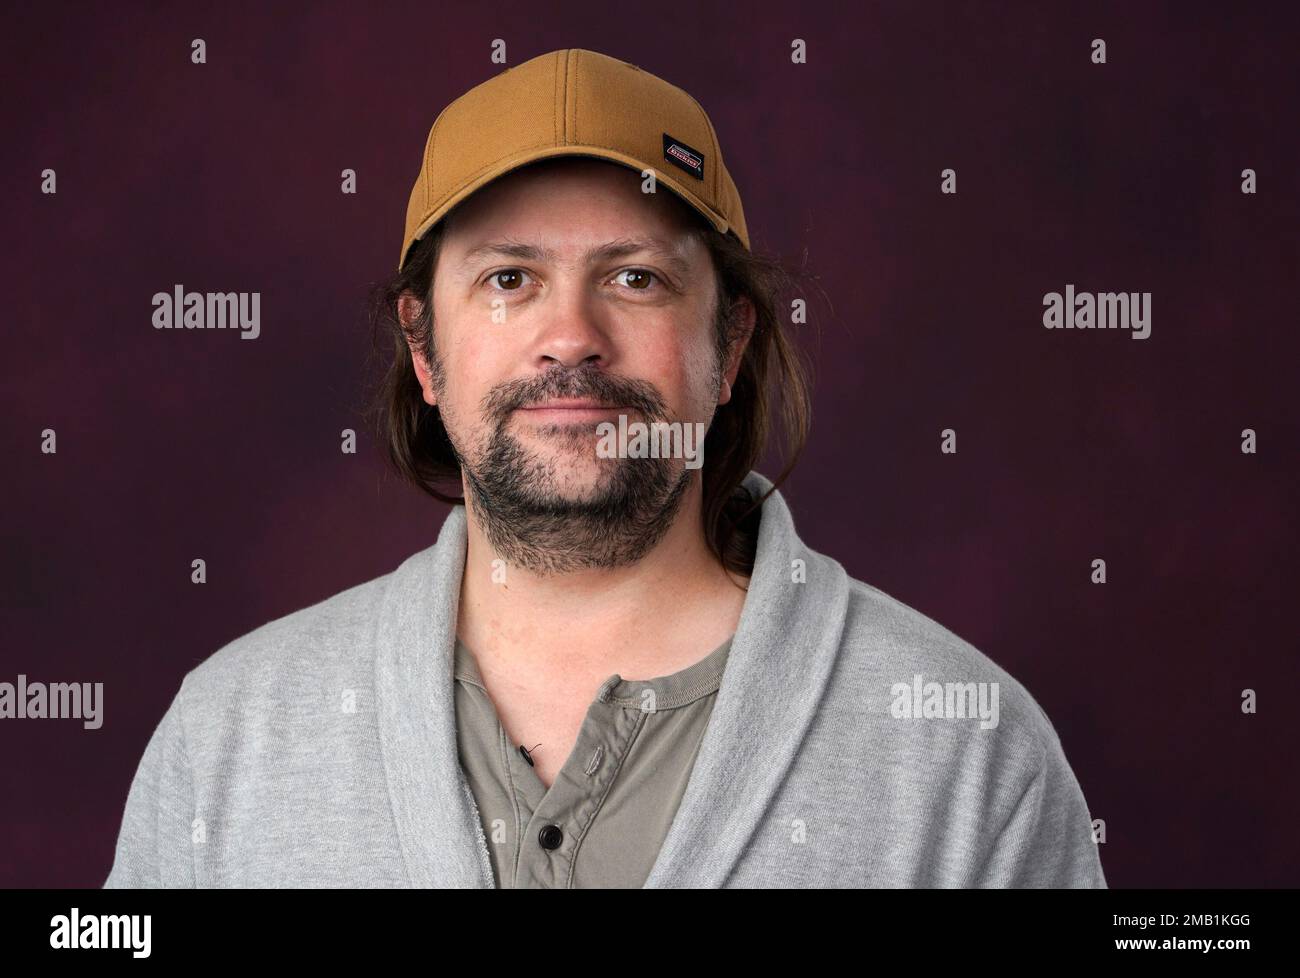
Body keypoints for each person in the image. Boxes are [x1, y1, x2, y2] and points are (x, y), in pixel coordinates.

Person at [103, 48, 1106, 888]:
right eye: (508, 279)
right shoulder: (229, 740)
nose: (569, 338)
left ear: (730, 345)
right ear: (424, 350)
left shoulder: (965, 754)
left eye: (635, 278)